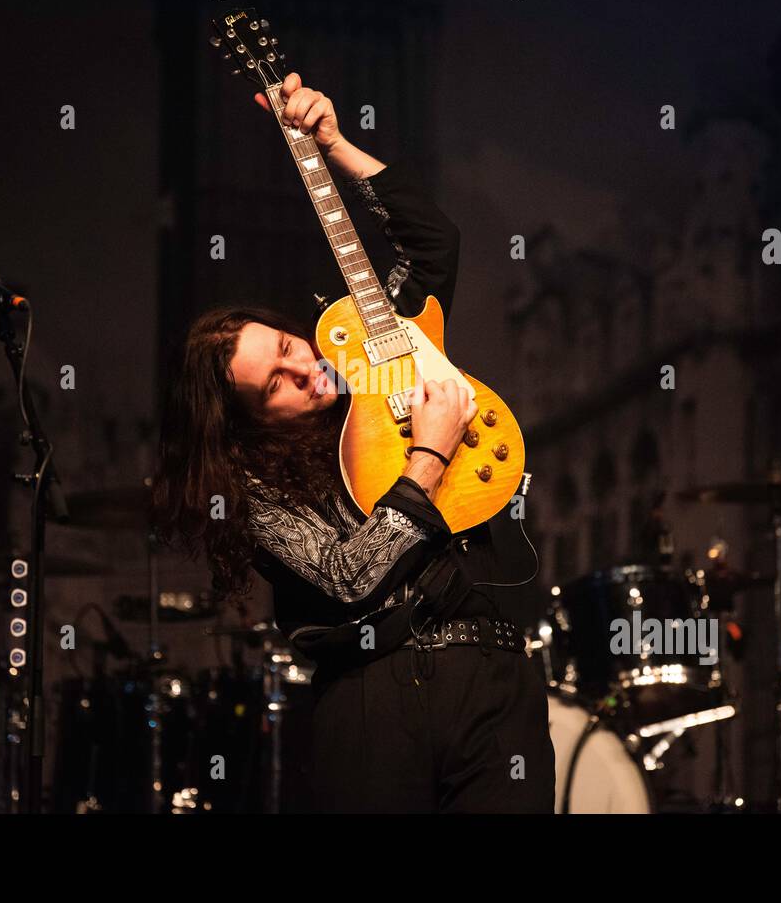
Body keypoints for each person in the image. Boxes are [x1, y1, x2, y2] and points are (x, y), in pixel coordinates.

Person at [154, 73, 553, 812]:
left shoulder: (379, 348)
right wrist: (430, 456)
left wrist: (333, 145)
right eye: (275, 380)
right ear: (244, 420)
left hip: (494, 676)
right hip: (373, 698)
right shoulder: (249, 485)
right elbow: (345, 574)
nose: (305, 366)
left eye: (287, 344)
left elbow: (434, 241)